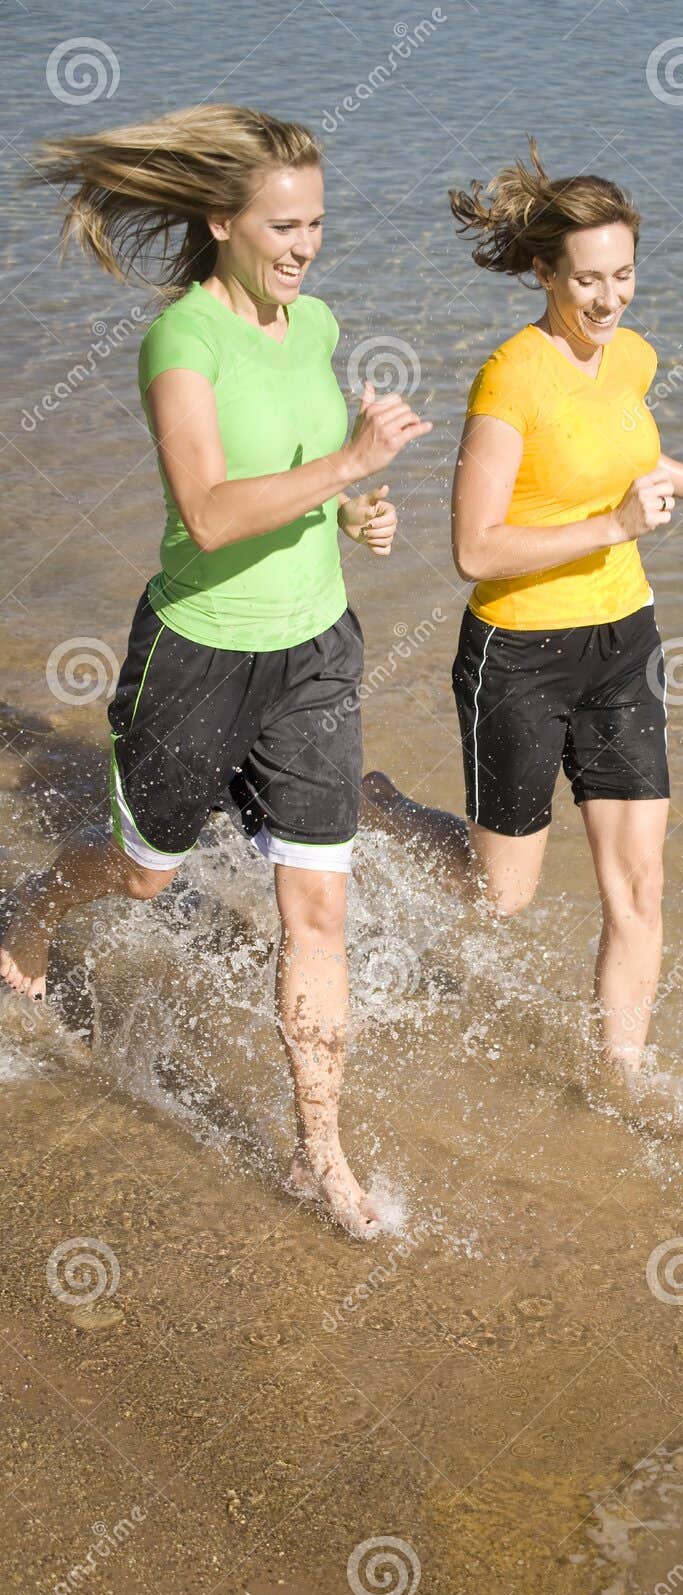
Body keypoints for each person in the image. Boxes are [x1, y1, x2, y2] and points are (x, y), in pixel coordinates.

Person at [0, 104, 432, 1239]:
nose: (305, 246)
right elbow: (206, 508)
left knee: (318, 911)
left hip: (315, 655)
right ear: (220, 221)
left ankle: (318, 1156)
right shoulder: (180, 342)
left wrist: (356, 508)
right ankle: (39, 904)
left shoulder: (318, 323)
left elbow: (300, 480)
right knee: (146, 876)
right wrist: (347, 460)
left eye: (318, 224)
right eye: (283, 226)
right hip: (197, 658)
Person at [362, 139, 683, 1072]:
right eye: (587, 280)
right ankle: (378, 804)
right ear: (544, 270)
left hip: (623, 642)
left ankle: (622, 1073)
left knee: (639, 885)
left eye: (623, 274)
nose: (609, 298)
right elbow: (474, 550)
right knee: (499, 897)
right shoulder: (509, 380)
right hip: (519, 658)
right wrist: (614, 524)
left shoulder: (631, 356)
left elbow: (624, 458)